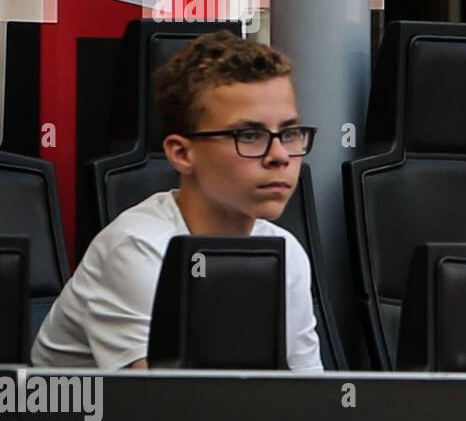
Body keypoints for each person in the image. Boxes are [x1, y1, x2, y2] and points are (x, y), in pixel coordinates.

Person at [30, 30, 323, 371]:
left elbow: (311, 396)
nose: (280, 156)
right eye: (250, 135)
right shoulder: (136, 248)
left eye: (289, 133)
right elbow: (167, 410)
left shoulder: (286, 251)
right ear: (182, 153)